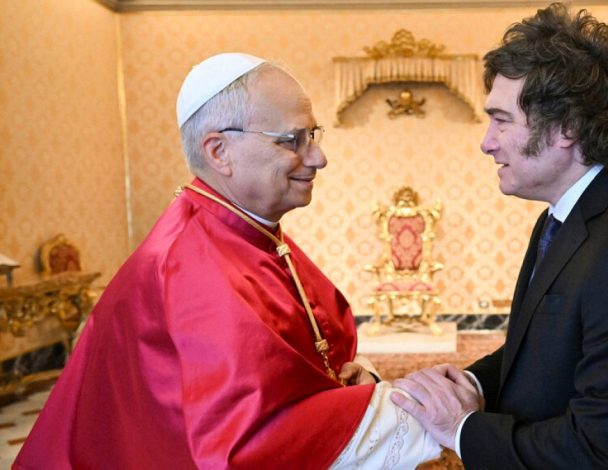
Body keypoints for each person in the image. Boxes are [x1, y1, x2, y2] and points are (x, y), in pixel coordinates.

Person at [14, 53, 442, 469]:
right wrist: (409, 411)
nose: (317, 157)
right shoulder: (192, 267)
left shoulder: (245, 232)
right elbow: (249, 446)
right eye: (293, 140)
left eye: (314, 135)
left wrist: (350, 385)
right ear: (219, 151)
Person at [391, 3, 608, 468]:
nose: (486, 142)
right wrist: (474, 384)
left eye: (501, 119)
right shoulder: (570, 214)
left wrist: (462, 428)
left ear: (567, 126)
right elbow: (552, 348)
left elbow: (601, 452)